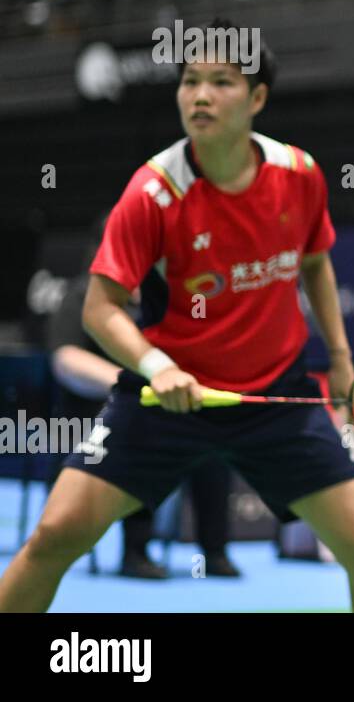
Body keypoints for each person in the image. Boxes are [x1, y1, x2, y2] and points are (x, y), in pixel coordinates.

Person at [0, 18, 354, 612]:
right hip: (165, 399)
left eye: (222, 82)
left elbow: (315, 262)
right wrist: (157, 365)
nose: (202, 96)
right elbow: (99, 308)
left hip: (274, 398)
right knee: (55, 536)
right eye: (190, 82)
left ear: (257, 98)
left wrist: (340, 359)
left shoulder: (299, 175)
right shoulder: (153, 192)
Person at [47, 222, 241, 579]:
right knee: (138, 431)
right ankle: (136, 552)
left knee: (214, 443)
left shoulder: (167, 298)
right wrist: (130, 382)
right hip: (100, 412)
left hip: (168, 406)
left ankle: (215, 551)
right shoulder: (83, 295)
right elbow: (66, 359)